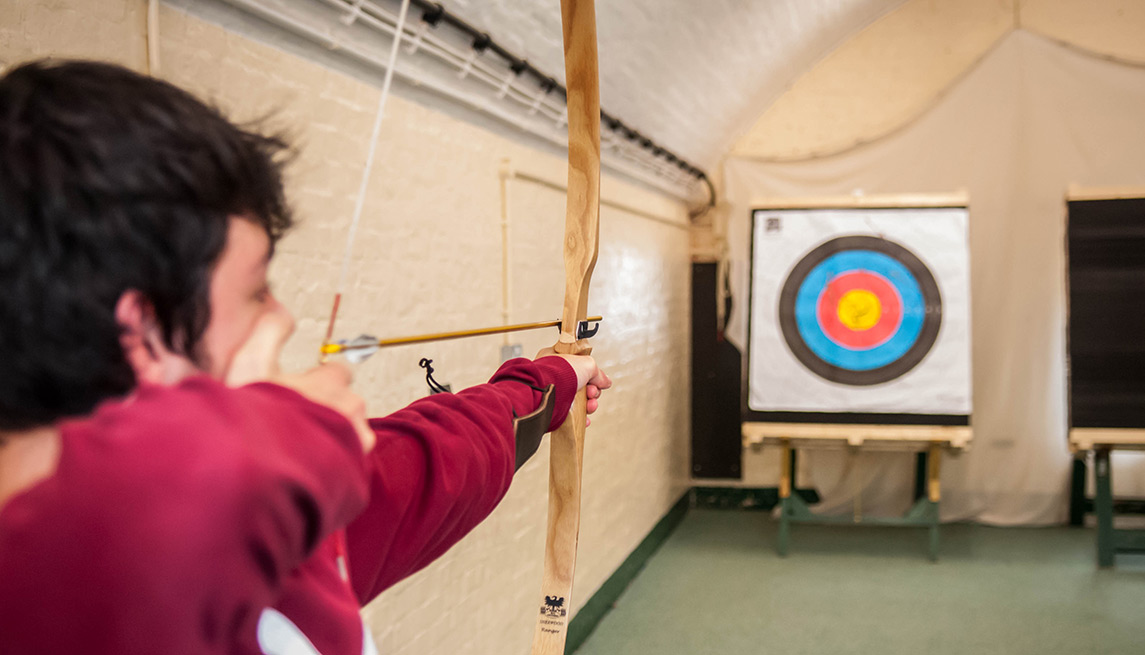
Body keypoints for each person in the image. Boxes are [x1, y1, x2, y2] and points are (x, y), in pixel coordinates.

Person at [0, 59, 610, 655]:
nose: (283, 316)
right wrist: (280, 435)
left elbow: (445, 455)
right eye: (256, 290)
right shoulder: (63, 582)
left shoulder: (280, 511)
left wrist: (555, 378)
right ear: (146, 334)